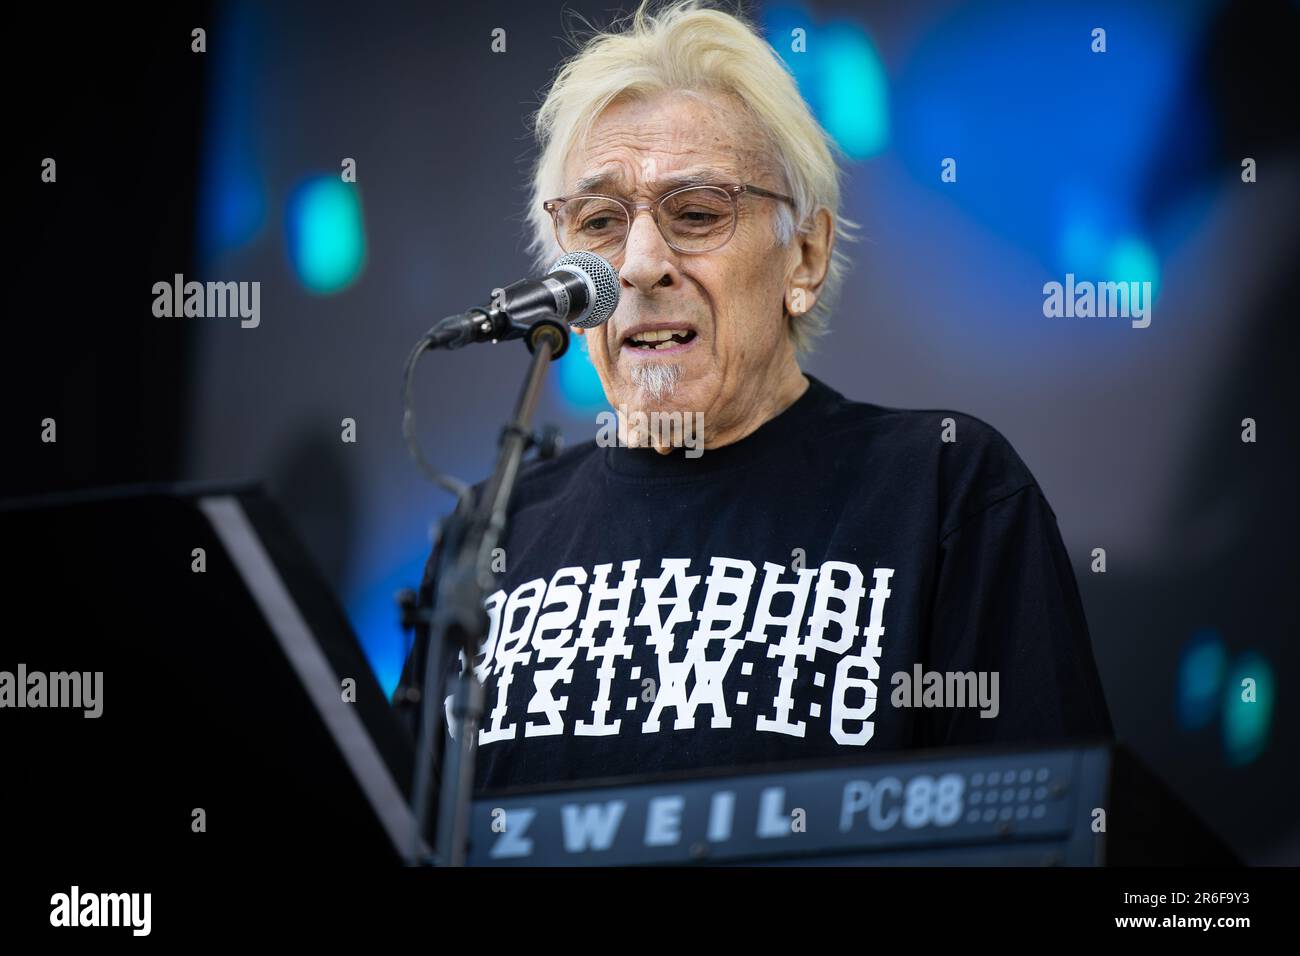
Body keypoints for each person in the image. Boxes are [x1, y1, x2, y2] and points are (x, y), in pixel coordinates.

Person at [394, 0, 1113, 792]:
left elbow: (1040, 824)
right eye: (599, 222)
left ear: (804, 257)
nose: (638, 265)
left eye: (697, 213)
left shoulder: (943, 489)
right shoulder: (489, 535)